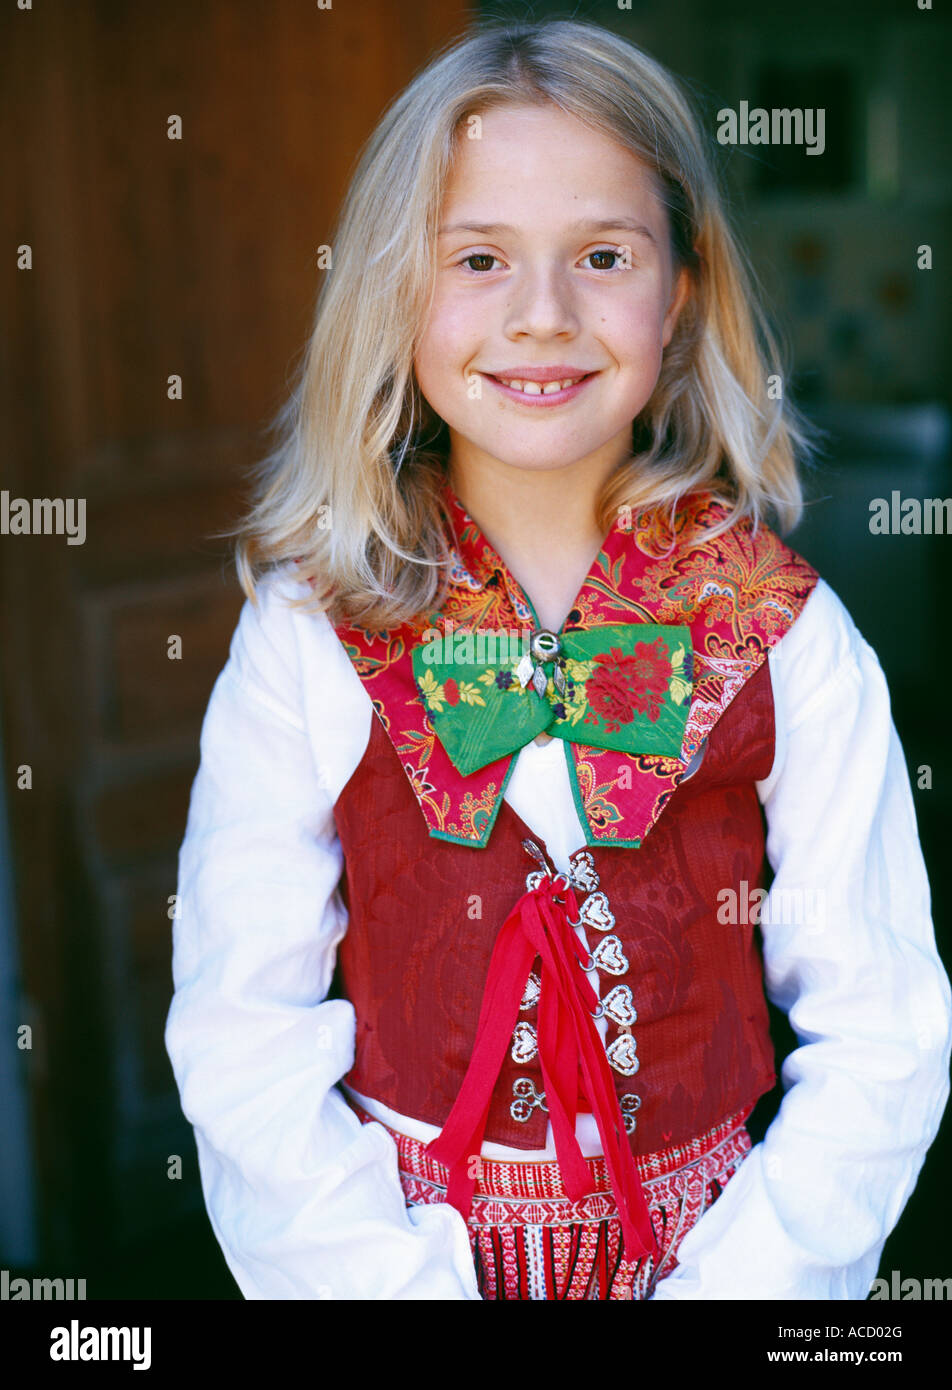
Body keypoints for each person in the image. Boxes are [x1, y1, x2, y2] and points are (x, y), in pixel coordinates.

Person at [164, 18, 951, 1300]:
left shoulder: (783, 631)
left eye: (601, 255)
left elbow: (884, 1032)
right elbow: (243, 1036)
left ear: (679, 291)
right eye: (477, 258)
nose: (543, 316)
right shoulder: (309, 636)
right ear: (395, 292)